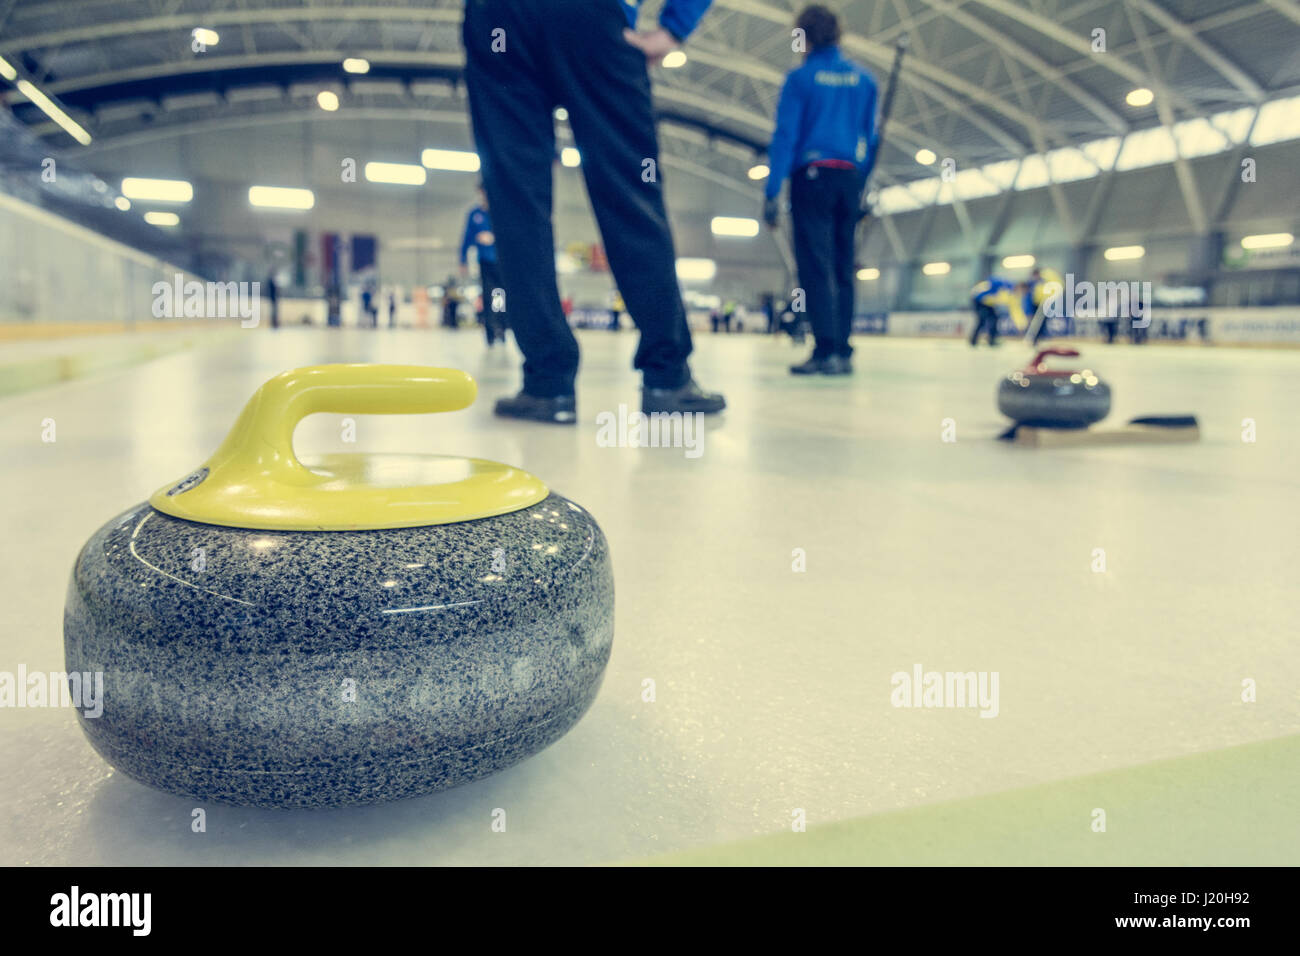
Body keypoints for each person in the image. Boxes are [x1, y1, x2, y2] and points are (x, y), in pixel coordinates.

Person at [461, 0, 725, 424]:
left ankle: (548, 383)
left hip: (500, 18)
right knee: (629, 192)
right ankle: (666, 376)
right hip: (593, 17)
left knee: (516, 199)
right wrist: (676, 26)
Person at [763, 4, 878, 376]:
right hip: (849, 179)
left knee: (816, 265)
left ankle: (825, 348)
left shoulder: (801, 80)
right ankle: (843, 349)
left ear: (804, 37)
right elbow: (870, 139)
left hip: (812, 176)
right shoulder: (865, 81)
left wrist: (772, 189)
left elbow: (786, 136)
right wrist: (861, 181)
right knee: (844, 266)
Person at [459, 182, 508, 346]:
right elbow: (466, 238)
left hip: (500, 261)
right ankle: (490, 332)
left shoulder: (500, 212)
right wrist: (463, 260)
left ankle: (501, 328)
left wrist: (493, 237)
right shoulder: (475, 214)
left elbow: (510, 234)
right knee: (487, 296)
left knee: (499, 295)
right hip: (485, 262)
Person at [969, 277, 1026, 347]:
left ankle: (991, 340)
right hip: (979, 300)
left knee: (994, 318)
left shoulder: (1013, 296)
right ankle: (973, 340)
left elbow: (1015, 310)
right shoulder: (1006, 285)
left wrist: (1021, 325)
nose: (1021, 294)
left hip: (988, 303)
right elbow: (991, 281)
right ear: (1019, 287)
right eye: (1022, 292)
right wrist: (985, 295)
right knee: (982, 320)